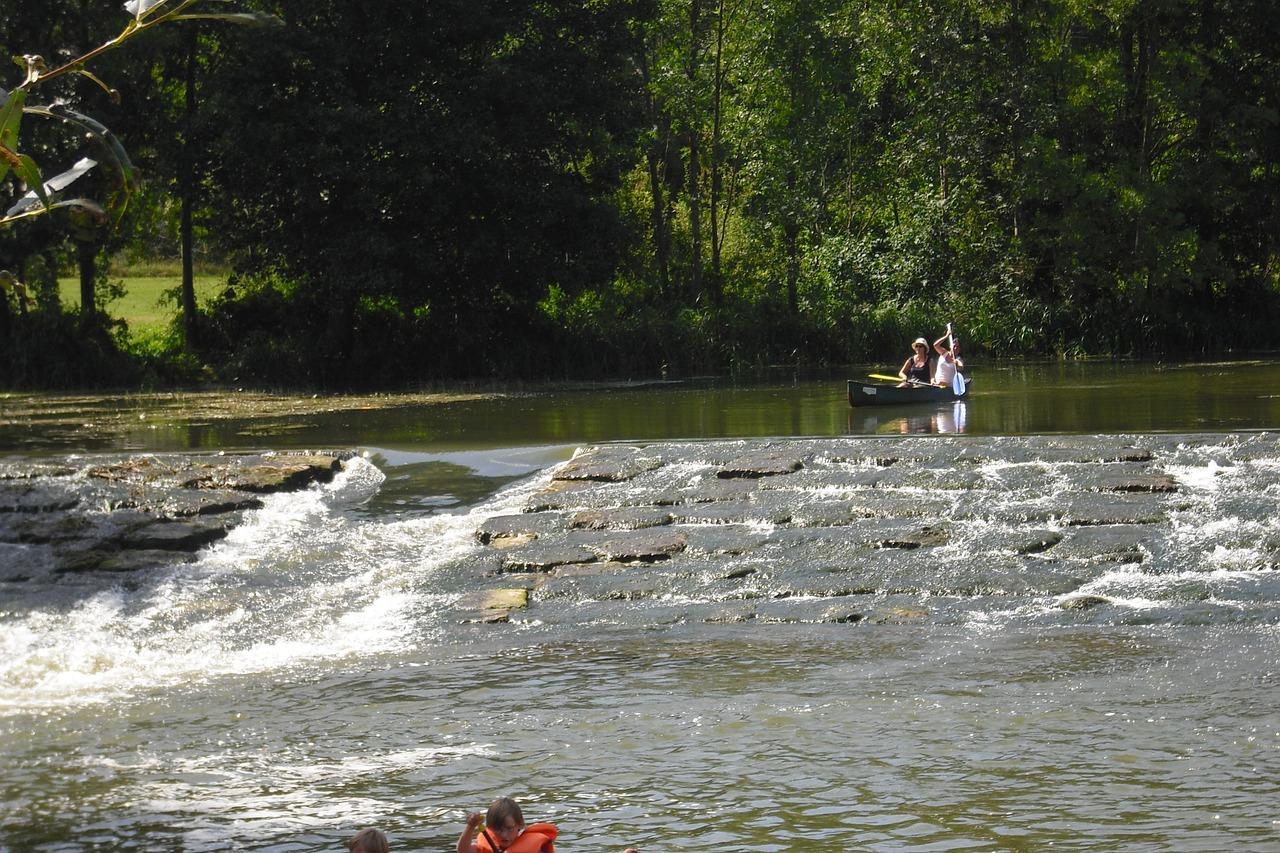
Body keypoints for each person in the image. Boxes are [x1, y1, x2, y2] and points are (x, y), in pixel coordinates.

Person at [458, 797, 557, 853]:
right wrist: (471, 826)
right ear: (490, 828)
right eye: (497, 829)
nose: (504, 835)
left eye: (509, 828)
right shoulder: (485, 845)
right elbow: (463, 851)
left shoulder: (537, 849)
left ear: (520, 824)